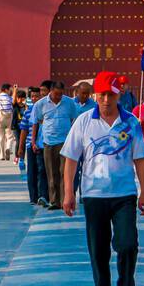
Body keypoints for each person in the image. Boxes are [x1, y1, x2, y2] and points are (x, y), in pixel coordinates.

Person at [61, 71, 144, 286]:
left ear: (118, 94)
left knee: (127, 244)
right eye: (101, 94)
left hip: (124, 194)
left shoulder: (130, 122)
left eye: (110, 94)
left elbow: (140, 159)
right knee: (98, 250)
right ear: (95, 95)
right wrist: (69, 192)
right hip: (93, 195)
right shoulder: (83, 121)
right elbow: (70, 159)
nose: (105, 99)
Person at [33, 81, 80, 210]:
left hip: (65, 142)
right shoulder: (41, 104)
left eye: (61, 94)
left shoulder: (69, 103)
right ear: (51, 91)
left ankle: (65, 200)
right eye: (56, 94)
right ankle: (54, 201)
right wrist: (33, 141)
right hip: (48, 143)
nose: (58, 96)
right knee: (52, 173)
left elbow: (74, 119)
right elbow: (36, 121)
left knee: (64, 173)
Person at [19, 83, 47, 204]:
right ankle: (33, 197)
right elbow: (24, 130)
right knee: (32, 171)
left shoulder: (47, 110)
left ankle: (43, 196)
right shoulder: (28, 112)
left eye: (37, 96)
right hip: (30, 145)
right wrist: (20, 148)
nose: (35, 98)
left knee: (43, 171)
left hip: (44, 145)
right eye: (32, 97)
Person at [0, 83, 17, 161]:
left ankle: (1, 156)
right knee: (10, 136)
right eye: (10, 89)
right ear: (6, 90)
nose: (10, 91)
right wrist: (15, 91)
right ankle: (8, 148)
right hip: (8, 118)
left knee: (0, 137)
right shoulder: (9, 98)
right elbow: (13, 102)